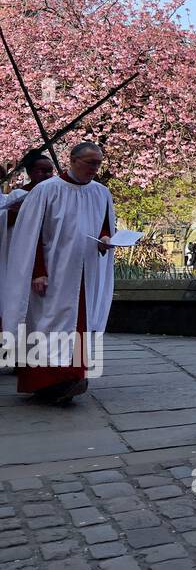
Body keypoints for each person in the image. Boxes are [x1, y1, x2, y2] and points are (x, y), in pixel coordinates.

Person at [2, 143, 114, 404]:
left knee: (77, 326)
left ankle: (71, 378)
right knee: (46, 325)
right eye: (89, 163)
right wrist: (38, 272)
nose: (94, 169)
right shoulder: (46, 191)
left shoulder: (101, 193)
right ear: (73, 161)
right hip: (53, 272)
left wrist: (105, 239)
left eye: (97, 164)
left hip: (84, 273)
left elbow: (105, 227)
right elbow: (32, 235)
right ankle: (44, 382)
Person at [0, 151, 55, 375]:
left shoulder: (55, 191)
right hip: (18, 256)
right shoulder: (20, 195)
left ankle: (33, 356)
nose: (45, 174)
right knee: (19, 306)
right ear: (30, 172)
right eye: (41, 170)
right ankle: (15, 355)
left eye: (49, 170)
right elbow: (7, 220)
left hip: (47, 255)